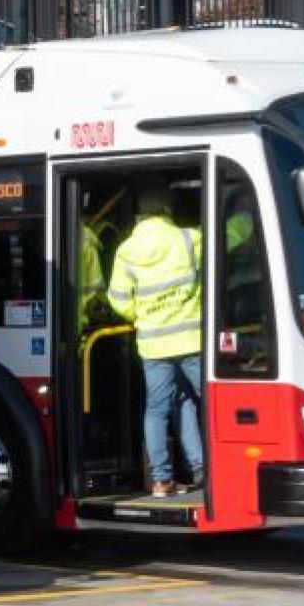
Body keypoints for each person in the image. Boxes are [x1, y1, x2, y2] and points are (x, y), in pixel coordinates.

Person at [106, 185, 205, 498]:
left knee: (160, 409)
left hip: (153, 345)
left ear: (139, 214)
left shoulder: (126, 250)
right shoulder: (191, 238)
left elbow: (118, 300)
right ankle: (205, 468)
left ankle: (162, 481)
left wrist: (144, 315)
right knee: (207, 401)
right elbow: (233, 239)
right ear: (167, 210)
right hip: (191, 341)